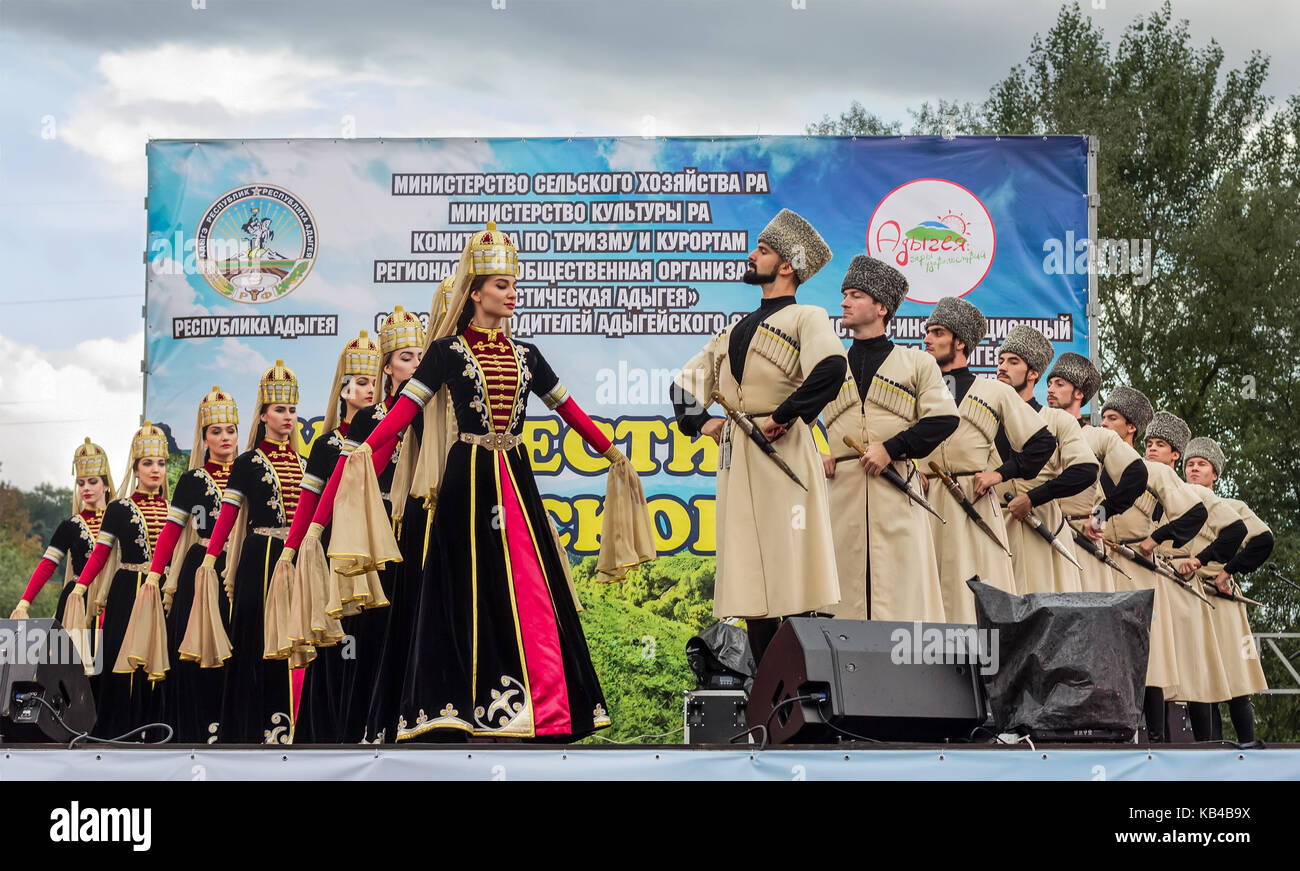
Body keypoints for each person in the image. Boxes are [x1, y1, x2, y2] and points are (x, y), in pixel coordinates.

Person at [304, 222, 653, 741]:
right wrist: (362, 454)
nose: (512, 294)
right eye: (501, 286)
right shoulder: (445, 352)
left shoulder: (528, 355)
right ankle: (457, 709)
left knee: (531, 586)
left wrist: (612, 453)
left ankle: (543, 706)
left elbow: (570, 411)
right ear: (475, 292)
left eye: (514, 285)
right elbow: (401, 414)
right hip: (466, 480)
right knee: (460, 591)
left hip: (514, 478)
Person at [672, 208, 847, 663]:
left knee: (793, 564)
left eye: (763, 251)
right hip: (739, 457)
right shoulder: (732, 330)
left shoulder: (806, 317)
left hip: (784, 453)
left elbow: (830, 368)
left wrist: (785, 416)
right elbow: (684, 384)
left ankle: (803, 686)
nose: (753, 256)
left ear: (786, 266)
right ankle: (767, 688)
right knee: (751, 574)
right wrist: (703, 422)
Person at [820, 255, 957, 622]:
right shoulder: (829, 363)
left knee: (903, 598)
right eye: (844, 294)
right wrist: (817, 451)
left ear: (881, 307)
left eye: (856, 295)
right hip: (840, 499)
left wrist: (891, 448)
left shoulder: (917, 363)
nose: (844, 302)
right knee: (840, 602)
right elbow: (794, 417)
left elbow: (943, 418)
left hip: (897, 492)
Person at [916, 297, 1054, 623]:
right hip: (926, 501)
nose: (927, 339)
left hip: (974, 501)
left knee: (975, 597)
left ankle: (981, 670)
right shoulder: (918, 387)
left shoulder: (994, 392)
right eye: (928, 332)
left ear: (960, 342)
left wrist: (999, 473)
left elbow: (1042, 442)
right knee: (927, 594)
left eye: (937, 332)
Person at [196, 359, 305, 743]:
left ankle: (288, 725)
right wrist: (210, 561)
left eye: (292, 409)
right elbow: (228, 513)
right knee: (256, 640)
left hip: (295, 557)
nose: (288, 416)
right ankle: (249, 727)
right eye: (280, 409)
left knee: (295, 638)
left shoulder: (303, 462)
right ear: (262, 414)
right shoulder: (247, 462)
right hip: (260, 556)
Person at [128, 387, 240, 743]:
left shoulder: (249, 470)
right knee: (197, 654)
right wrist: (154, 576)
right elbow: (172, 533)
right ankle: (195, 730)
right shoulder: (191, 480)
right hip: (201, 569)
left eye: (230, 430)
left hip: (242, 566)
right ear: (203, 438)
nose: (224, 438)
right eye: (216, 431)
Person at [285, 332, 382, 743]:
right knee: (338, 639)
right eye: (358, 382)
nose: (366, 389)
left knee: (374, 637)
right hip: (334, 549)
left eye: (372, 381)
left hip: (374, 545)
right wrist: (293, 551)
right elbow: (309, 504)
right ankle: (327, 732)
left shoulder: (389, 429)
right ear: (342, 389)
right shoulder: (327, 444)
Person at [64, 423, 171, 739]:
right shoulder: (119, 508)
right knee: (122, 660)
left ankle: (155, 729)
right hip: (128, 589)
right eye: (147, 463)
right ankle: (119, 729)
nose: (155, 469)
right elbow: (100, 554)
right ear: (135, 468)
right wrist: (81, 586)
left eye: (161, 463)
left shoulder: (171, 508)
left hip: (161, 590)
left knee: (159, 661)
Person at [1142, 412, 1237, 739]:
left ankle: (1207, 747)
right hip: (1152, 576)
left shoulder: (1192, 492)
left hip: (1181, 583)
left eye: (1160, 445)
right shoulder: (1140, 479)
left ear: (1174, 454)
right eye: (1149, 444)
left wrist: (1201, 561)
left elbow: (1235, 531)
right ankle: (1159, 745)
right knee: (1158, 668)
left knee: (1194, 669)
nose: (1152, 450)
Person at [992, 326, 1097, 594]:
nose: (1003, 367)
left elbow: (1085, 470)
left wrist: (1033, 498)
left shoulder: (1058, 420)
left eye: (1013, 361)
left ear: (1032, 373)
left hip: (1043, 531)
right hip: (993, 529)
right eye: (1001, 360)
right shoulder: (985, 417)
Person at [1180, 436, 1270, 744]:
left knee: (1236, 682)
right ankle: (1208, 753)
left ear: (1215, 474)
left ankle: (1248, 749)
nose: (1194, 469)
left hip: (1224, 602)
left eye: (1201, 465)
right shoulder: (1175, 504)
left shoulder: (1233, 507)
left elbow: (1263, 541)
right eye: (1189, 464)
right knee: (1200, 684)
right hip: (1188, 598)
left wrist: (1228, 571)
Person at [1043, 353, 1148, 593]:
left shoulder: (1099, 436)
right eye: (1049, 384)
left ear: (1079, 393)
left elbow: (1136, 474)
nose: (1051, 389)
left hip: (1081, 539)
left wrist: (1102, 513)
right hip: (1037, 535)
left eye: (1060, 384)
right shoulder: (1034, 431)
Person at [11, 439, 114, 629]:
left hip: (115, 599)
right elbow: (47, 565)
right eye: (81, 483)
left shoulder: (120, 518)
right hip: (78, 601)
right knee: (75, 657)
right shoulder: (70, 525)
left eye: (92, 482)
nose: (86, 488)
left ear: (106, 485)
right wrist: (24, 603)